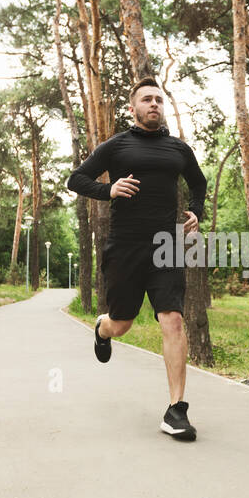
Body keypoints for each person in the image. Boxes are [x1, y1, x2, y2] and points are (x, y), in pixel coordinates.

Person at [66, 77, 208, 442]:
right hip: (125, 246)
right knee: (122, 323)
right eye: (146, 100)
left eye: (159, 100)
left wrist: (195, 210)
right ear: (133, 108)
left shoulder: (178, 149)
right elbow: (76, 179)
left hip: (166, 245)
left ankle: (177, 409)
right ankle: (103, 328)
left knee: (173, 319)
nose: (154, 105)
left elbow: (198, 183)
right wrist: (108, 189)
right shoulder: (116, 146)